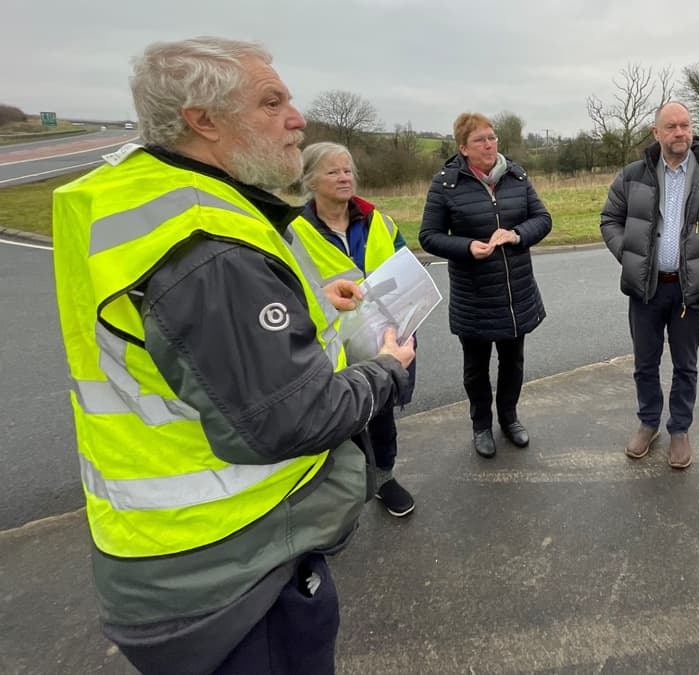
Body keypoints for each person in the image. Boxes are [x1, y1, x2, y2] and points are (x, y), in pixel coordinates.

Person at [52, 37, 414, 675]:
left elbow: (185, 343)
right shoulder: (204, 240)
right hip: (229, 572)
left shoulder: (145, 197)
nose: (296, 119)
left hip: (180, 554)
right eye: (272, 102)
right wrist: (385, 370)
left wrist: (313, 303)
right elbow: (292, 415)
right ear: (202, 119)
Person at [292, 142, 418, 518]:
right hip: (328, 350)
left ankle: (383, 479)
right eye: (333, 171)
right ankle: (340, 491)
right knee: (333, 425)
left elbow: (405, 266)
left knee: (382, 418)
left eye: (348, 170)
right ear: (310, 180)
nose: (345, 177)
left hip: (382, 342)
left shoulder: (380, 221)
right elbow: (286, 293)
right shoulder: (290, 233)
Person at [599, 101, 699, 470]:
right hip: (647, 287)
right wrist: (630, 256)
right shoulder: (633, 174)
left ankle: (680, 429)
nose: (679, 133)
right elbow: (609, 219)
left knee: (686, 364)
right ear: (656, 132)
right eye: (670, 126)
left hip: (689, 289)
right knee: (645, 362)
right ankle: (649, 421)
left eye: (685, 125)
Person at [418, 113, 552, 458]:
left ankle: (509, 419)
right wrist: (465, 247)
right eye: (480, 140)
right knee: (476, 369)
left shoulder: (516, 175)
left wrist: (517, 234)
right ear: (463, 147)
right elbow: (428, 236)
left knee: (513, 364)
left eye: (492, 138)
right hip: (473, 296)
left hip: (515, 294)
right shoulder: (445, 184)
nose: (489, 144)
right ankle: (481, 425)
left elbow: (543, 219)